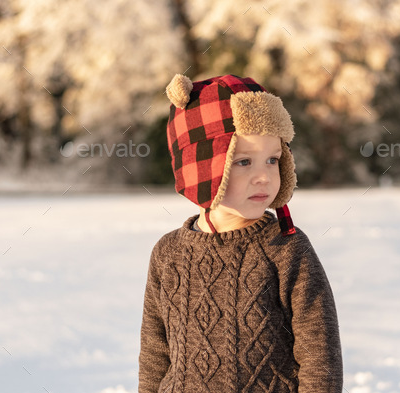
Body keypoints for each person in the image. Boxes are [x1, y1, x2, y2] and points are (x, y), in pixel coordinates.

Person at [139, 74, 343, 393]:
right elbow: (155, 351)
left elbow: (319, 354)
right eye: (244, 161)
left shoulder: (287, 247)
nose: (263, 177)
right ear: (202, 167)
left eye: (273, 160)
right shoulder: (167, 253)